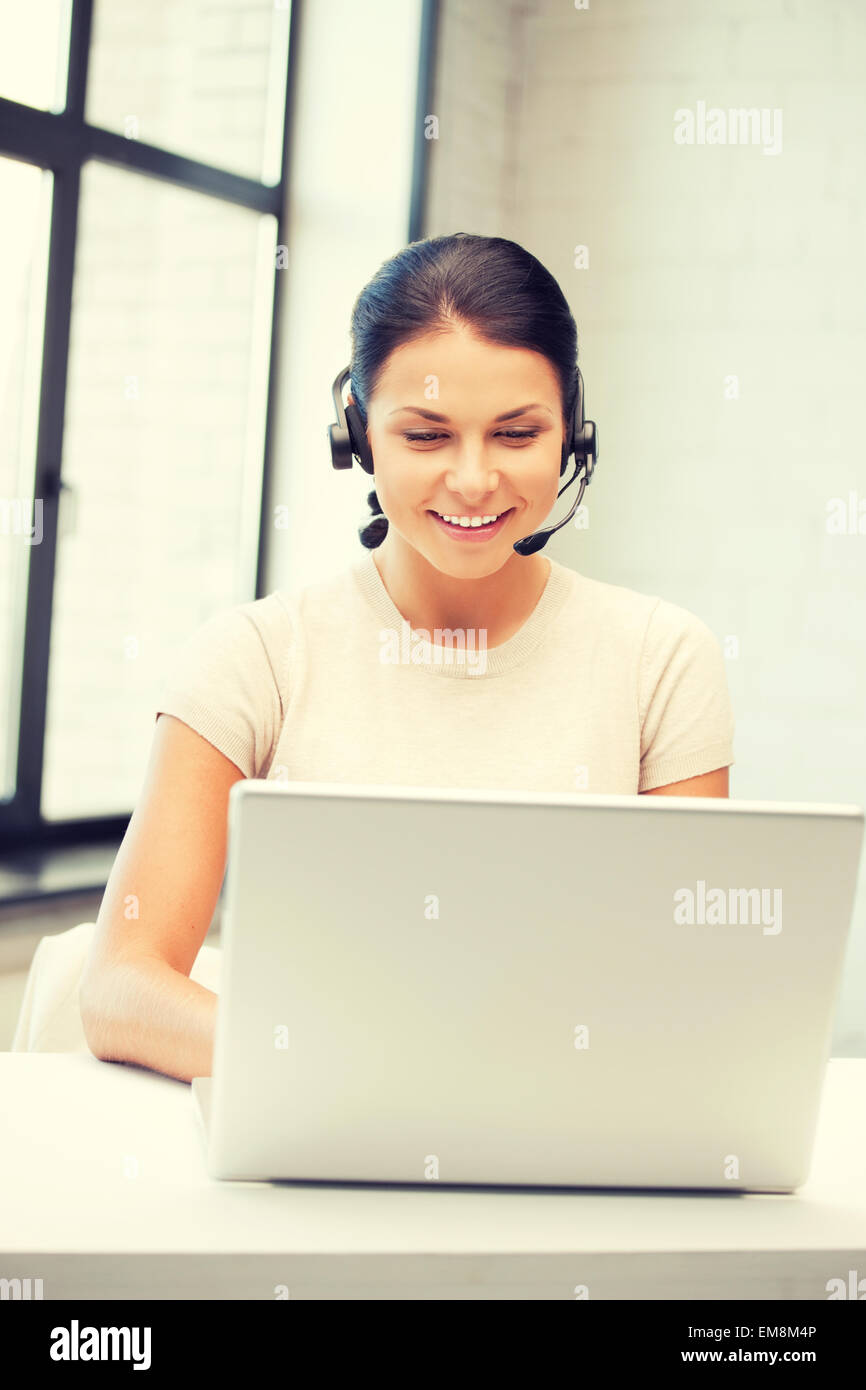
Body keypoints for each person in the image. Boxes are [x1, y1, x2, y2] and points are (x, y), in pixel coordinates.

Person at [80, 232, 734, 1083]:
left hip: (563, 1131)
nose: (472, 480)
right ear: (357, 434)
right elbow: (122, 985)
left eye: (516, 433)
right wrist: (371, 1071)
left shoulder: (663, 660)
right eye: (426, 436)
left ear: (571, 431)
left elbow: (697, 985)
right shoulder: (254, 658)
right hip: (312, 1133)